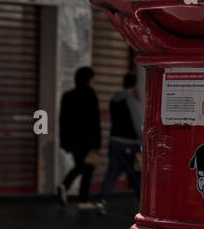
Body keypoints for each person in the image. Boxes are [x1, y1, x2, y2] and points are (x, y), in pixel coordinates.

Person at [98, 72, 143, 208]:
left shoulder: (114, 100)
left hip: (114, 140)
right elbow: (137, 123)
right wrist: (142, 140)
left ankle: (102, 200)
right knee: (136, 174)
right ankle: (144, 205)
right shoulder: (132, 100)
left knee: (112, 172)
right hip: (130, 143)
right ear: (135, 85)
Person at [58, 66, 101, 207]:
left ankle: (66, 186)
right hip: (88, 140)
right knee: (87, 168)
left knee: (81, 166)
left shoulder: (67, 96)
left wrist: (64, 141)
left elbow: (63, 121)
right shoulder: (90, 94)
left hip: (73, 140)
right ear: (88, 79)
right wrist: (97, 143)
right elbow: (95, 121)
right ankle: (82, 200)